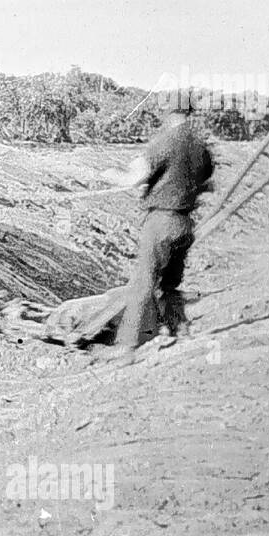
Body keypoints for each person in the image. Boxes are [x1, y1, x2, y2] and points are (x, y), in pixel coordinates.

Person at [102, 108, 215, 361]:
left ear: (170, 113)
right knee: (169, 284)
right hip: (185, 223)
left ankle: (126, 346)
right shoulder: (200, 147)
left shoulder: (164, 142)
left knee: (143, 282)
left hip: (161, 220)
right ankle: (181, 331)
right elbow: (208, 182)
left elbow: (133, 178)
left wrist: (109, 175)